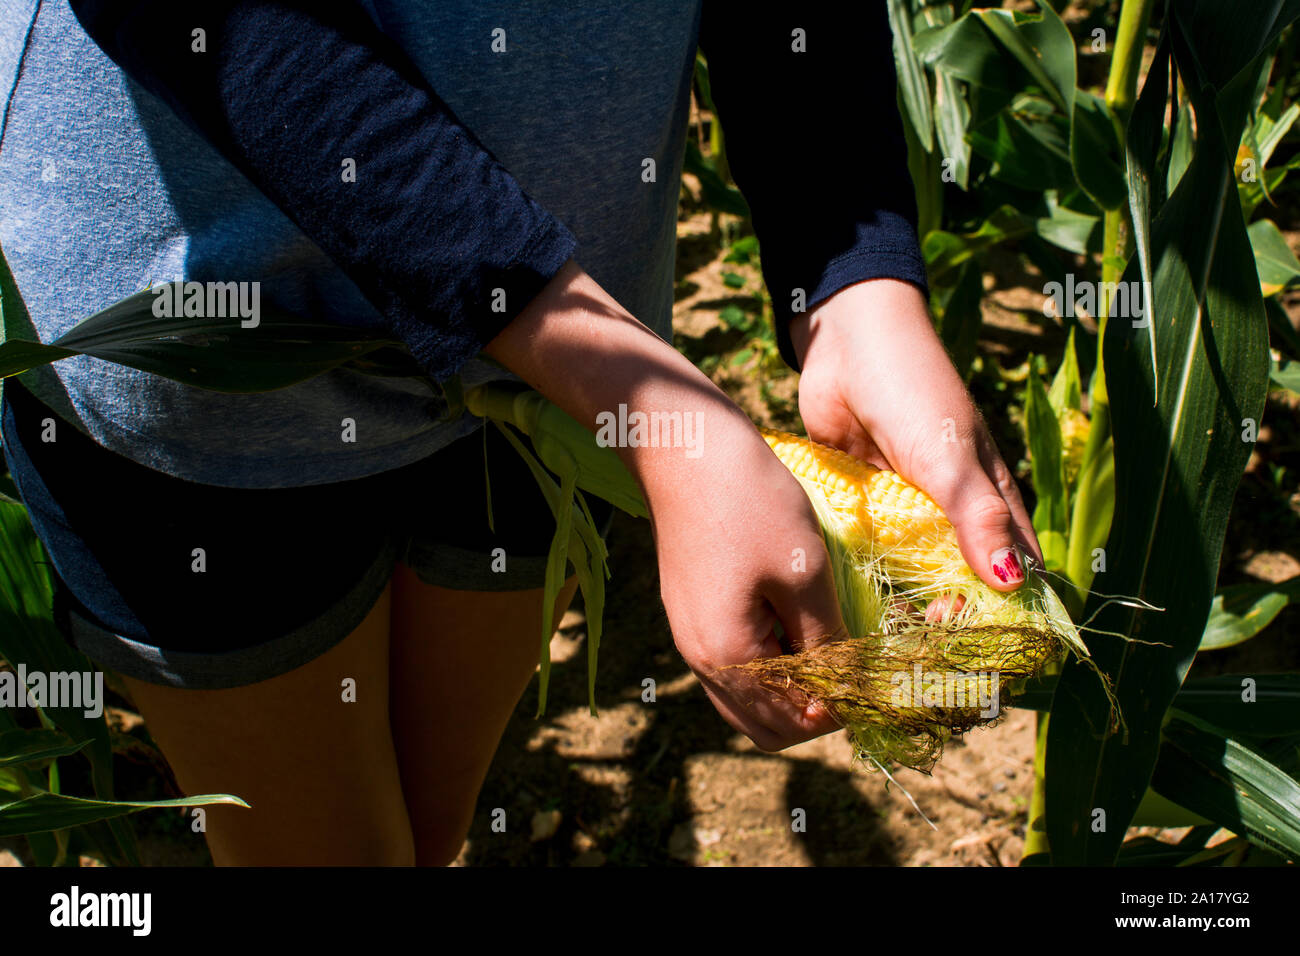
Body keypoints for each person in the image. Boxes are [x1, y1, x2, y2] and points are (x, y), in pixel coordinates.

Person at [0, 1, 1042, 866]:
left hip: (569, 364)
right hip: (218, 366)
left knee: (431, 824)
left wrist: (853, 271)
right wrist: (608, 371)